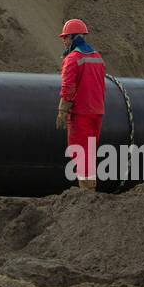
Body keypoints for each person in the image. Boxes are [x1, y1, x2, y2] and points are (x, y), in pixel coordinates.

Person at [55, 19, 106, 191]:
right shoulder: (97, 57)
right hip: (97, 113)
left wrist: (62, 111)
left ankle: (87, 193)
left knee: (80, 152)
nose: (64, 41)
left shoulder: (73, 58)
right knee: (89, 153)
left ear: (73, 37)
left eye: (65, 38)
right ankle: (91, 190)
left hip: (81, 113)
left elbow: (68, 88)